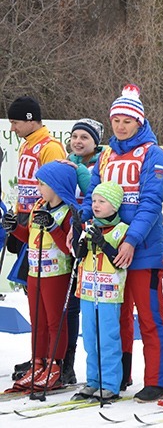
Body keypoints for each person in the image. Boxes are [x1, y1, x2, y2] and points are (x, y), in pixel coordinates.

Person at [81, 84, 163, 402]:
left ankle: (157, 380)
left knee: (149, 315)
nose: (121, 126)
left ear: (139, 122)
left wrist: (132, 240)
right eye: (116, 120)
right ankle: (117, 376)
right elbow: (92, 193)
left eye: (127, 121)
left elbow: (150, 202)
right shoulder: (105, 155)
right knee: (113, 317)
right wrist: (85, 219)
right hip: (105, 249)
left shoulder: (152, 153)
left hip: (142, 248)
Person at [5, 161, 78, 392]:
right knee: (37, 321)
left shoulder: (68, 213)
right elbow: (29, 237)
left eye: (43, 183)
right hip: (35, 272)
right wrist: (14, 228)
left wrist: (54, 226)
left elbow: (70, 248)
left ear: (57, 186)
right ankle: (38, 362)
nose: (38, 188)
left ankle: (55, 365)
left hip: (56, 273)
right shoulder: (38, 205)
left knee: (55, 321)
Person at [70, 181, 129, 402]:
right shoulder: (90, 226)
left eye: (102, 201)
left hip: (109, 294)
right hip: (87, 292)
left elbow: (120, 261)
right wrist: (78, 231)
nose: (95, 205)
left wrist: (102, 243)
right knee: (90, 339)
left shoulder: (122, 229)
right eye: (94, 200)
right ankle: (93, 380)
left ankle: (110, 383)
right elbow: (78, 255)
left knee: (108, 339)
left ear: (114, 206)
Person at [60, 117, 106, 385]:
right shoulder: (68, 161)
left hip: (88, 237)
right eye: (75, 136)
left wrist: (79, 172)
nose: (78, 141)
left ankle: (83, 365)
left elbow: (97, 193)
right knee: (64, 304)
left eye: (84, 137)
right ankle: (60, 361)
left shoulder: (100, 163)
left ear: (95, 142)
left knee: (77, 303)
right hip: (63, 233)